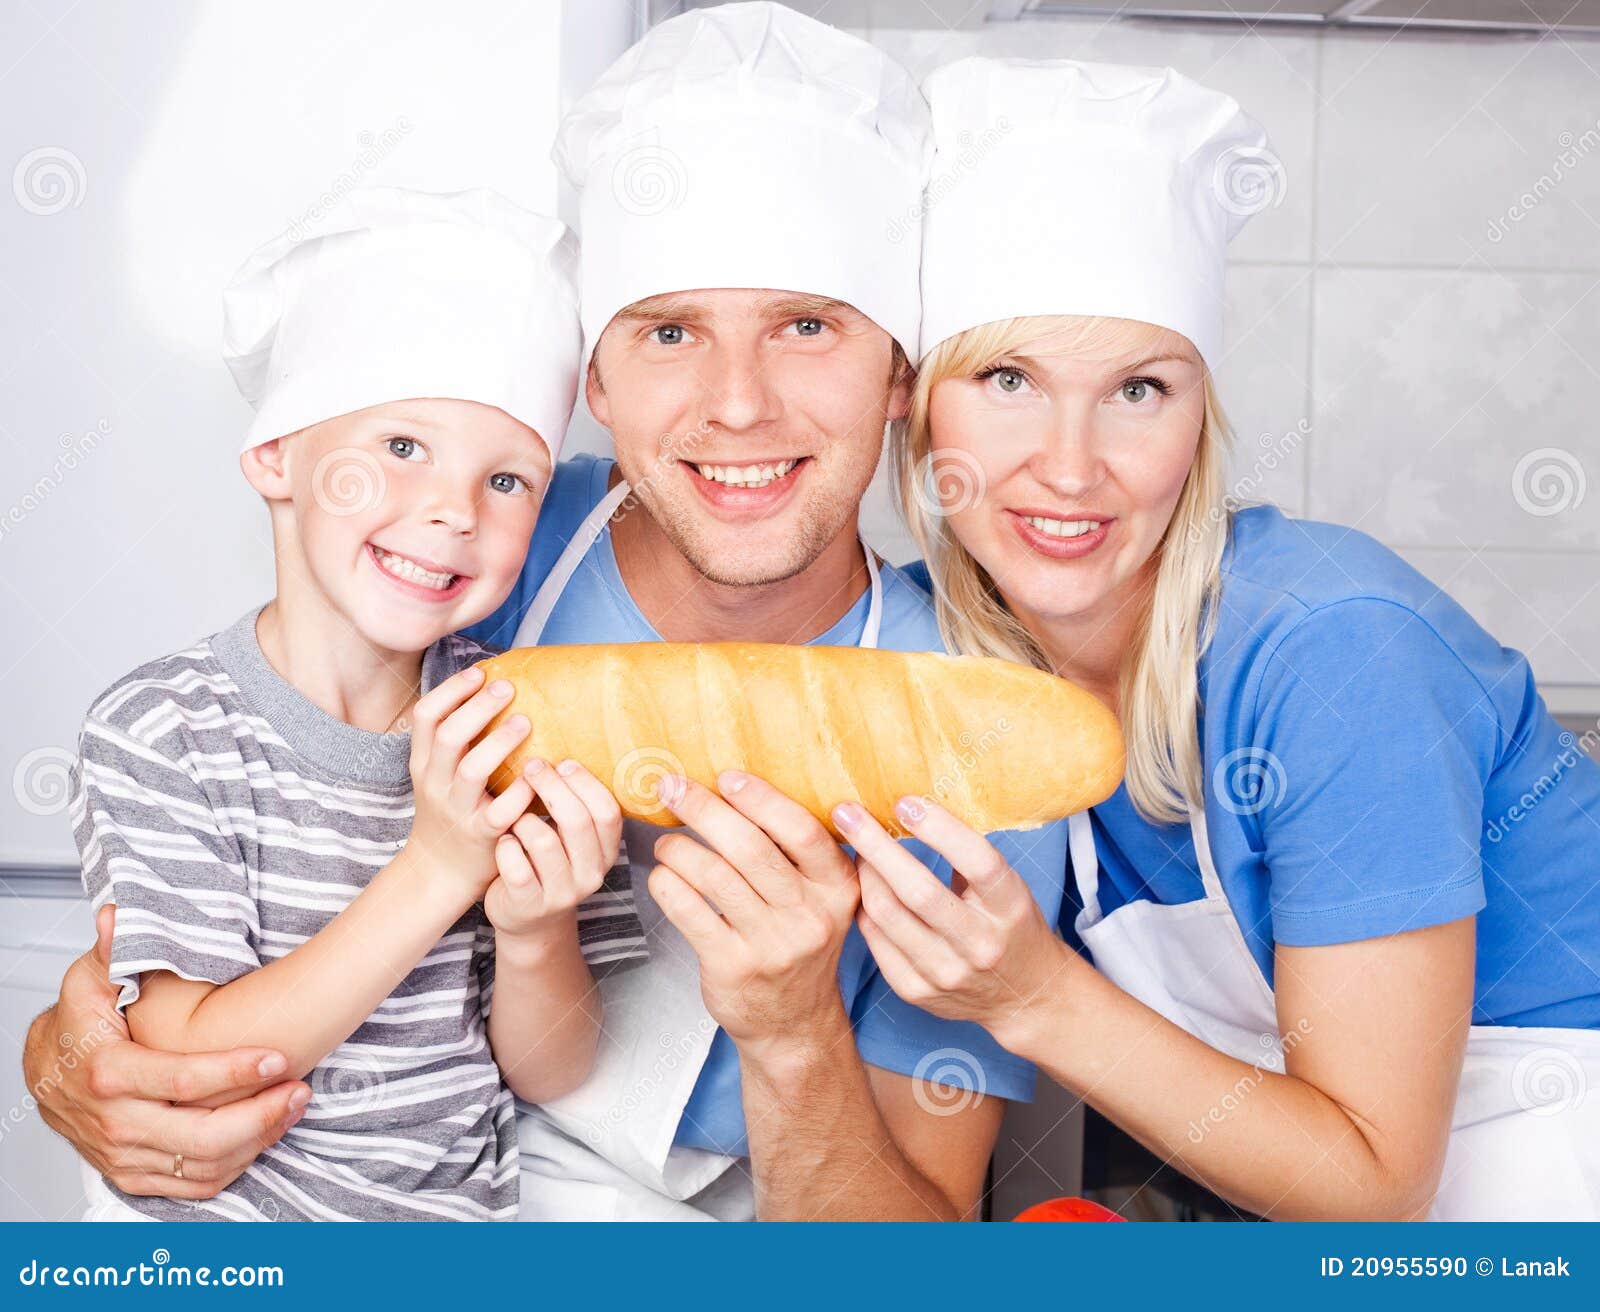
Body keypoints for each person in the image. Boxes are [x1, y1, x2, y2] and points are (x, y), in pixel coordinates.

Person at [28, 4, 1069, 1224]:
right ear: (596, 378)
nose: (737, 406)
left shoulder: (984, 730)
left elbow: (906, 1264)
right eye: (670, 329)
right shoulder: (475, 565)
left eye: (805, 325)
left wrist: (791, 1029)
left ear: (900, 371)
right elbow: (230, 816)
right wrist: (71, 1048)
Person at [836, 56, 1600, 1221]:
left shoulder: (1333, 654)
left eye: (1138, 389)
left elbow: (1376, 1192)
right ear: (917, 400)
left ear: (1199, 419)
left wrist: (1031, 995)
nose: (1071, 465)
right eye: (1007, 379)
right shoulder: (963, 669)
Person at [68, 187, 645, 1220]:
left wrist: (531, 930)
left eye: (508, 480)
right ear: (275, 454)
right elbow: (185, 1051)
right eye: (402, 447)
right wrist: (436, 866)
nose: (452, 510)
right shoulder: (164, 731)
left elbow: (554, 1074)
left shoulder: (510, 721)